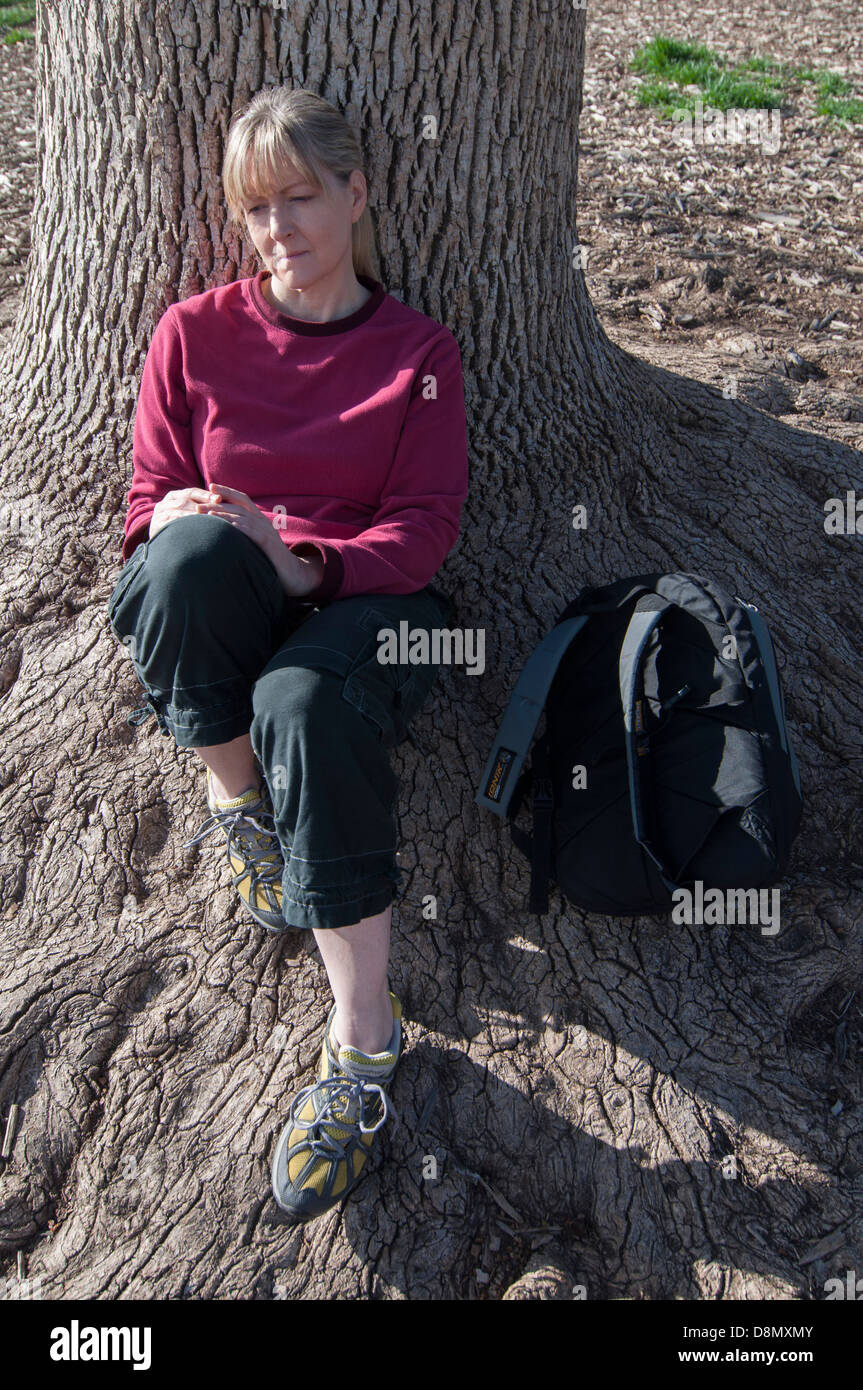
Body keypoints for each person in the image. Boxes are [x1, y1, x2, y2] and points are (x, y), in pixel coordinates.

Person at [106, 86, 469, 1222]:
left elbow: (422, 528)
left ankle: (362, 1050)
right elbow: (145, 499)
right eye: (256, 209)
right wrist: (189, 523)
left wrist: (303, 560)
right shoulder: (193, 333)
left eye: (301, 199)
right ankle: (239, 806)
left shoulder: (417, 352)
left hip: (368, 600)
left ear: (357, 195)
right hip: (228, 587)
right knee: (179, 561)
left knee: (305, 697)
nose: (279, 232)